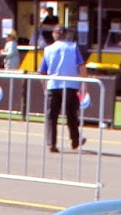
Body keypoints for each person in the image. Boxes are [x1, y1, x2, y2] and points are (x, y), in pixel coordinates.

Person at [38, 24, 83, 155]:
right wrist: (85, 83)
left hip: (53, 84)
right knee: (71, 114)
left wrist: (44, 87)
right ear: (66, 34)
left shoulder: (48, 50)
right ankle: (75, 139)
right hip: (70, 84)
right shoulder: (73, 47)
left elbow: (42, 72)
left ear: (54, 34)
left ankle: (52, 143)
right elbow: (81, 66)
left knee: (51, 116)